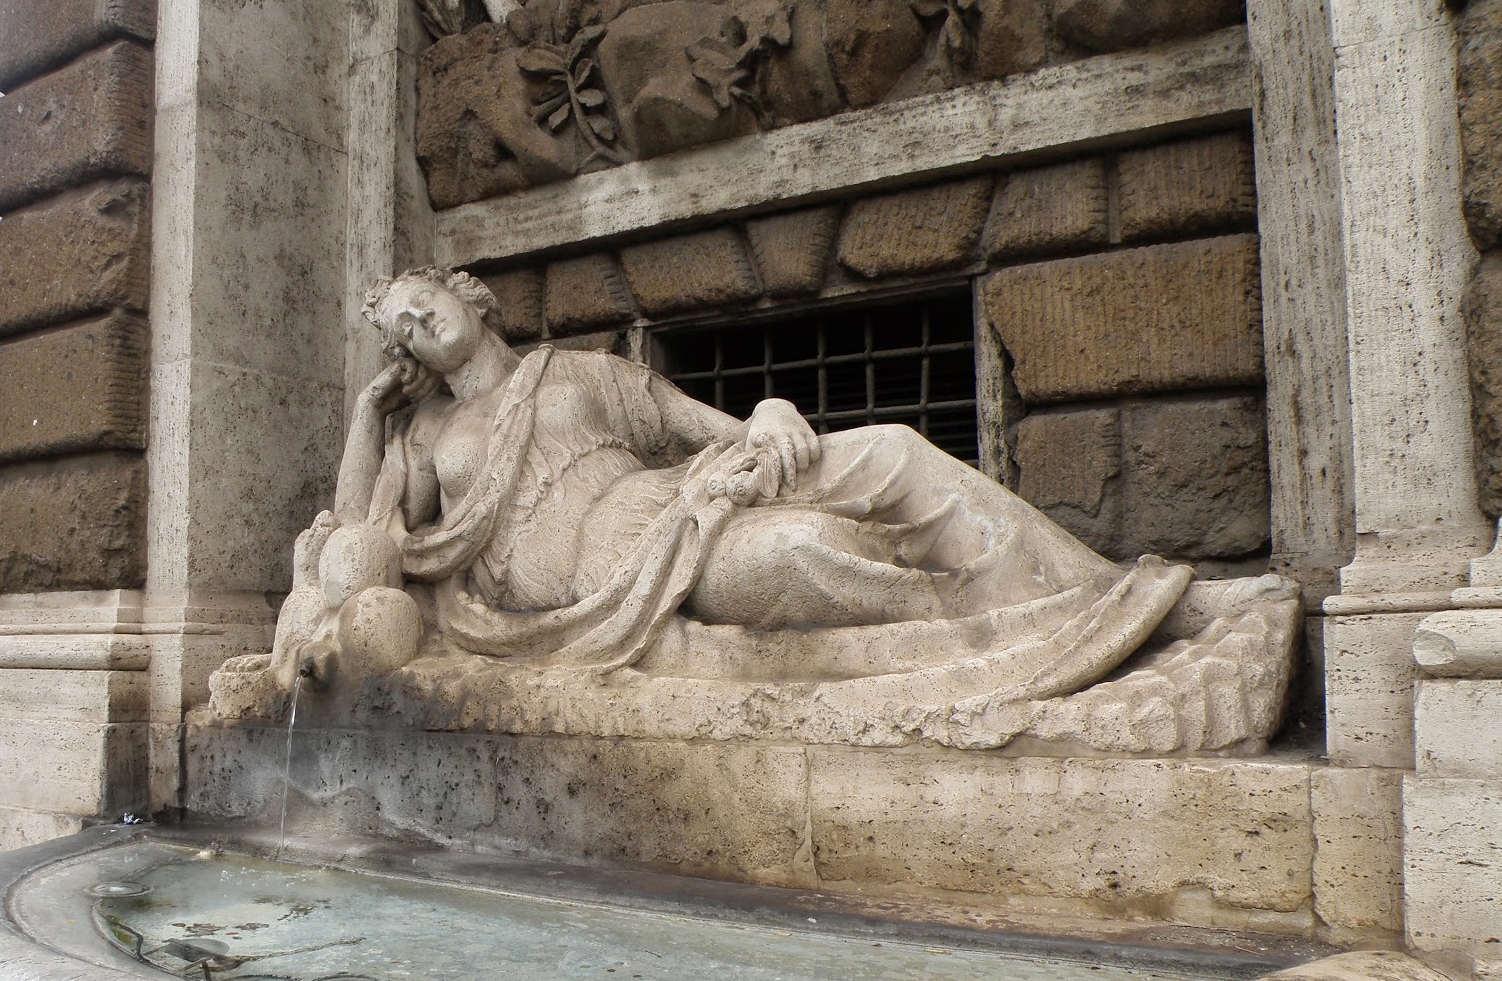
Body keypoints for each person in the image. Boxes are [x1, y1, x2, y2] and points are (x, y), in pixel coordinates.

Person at [323, 264, 1263, 677]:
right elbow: (355, 547)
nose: (416, 327)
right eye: (399, 330)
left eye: (421, 303)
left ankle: (1145, 605)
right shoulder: (422, 439)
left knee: (890, 447)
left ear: (465, 294)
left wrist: (770, 411)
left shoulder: (581, 374)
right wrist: (371, 413)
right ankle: (1049, 636)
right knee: (802, 553)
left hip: (683, 501)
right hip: (610, 590)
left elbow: (715, 430)